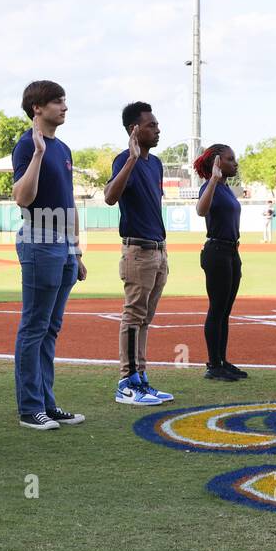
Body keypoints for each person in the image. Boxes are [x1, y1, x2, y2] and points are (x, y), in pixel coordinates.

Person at [11, 81, 87, 430]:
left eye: (64, 100)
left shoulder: (65, 148)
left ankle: (46, 402)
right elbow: (23, 198)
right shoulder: (28, 145)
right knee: (35, 326)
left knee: (51, 328)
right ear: (37, 108)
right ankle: (30, 408)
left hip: (62, 244)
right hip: (39, 238)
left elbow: (68, 201)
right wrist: (39, 155)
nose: (64, 107)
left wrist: (76, 250)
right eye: (57, 101)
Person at [103, 102, 173, 407]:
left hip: (158, 251)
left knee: (145, 319)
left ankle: (141, 379)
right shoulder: (124, 160)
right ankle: (126, 382)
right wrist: (131, 160)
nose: (157, 130)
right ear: (135, 129)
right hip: (138, 251)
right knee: (132, 317)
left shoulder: (155, 163)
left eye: (156, 125)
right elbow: (109, 197)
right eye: (151, 125)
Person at [193, 144, 246, 382]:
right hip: (217, 252)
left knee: (225, 311)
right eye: (230, 159)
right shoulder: (211, 186)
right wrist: (213, 180)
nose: (235, 163)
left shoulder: (226, 188)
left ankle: (222, 361)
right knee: (217, 310)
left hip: (231, 253)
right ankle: (213, 365)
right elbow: (200, 211)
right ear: (217, 163)